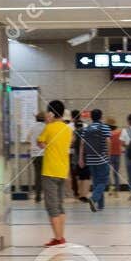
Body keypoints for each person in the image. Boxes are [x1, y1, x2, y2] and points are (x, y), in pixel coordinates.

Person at [36, 100, 73, 246]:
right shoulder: (67, 129)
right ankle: (61, 235)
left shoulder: (49, 128)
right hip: (62, 170)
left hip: (50, 171)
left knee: (52, 206)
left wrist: (48, 123)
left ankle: (58, 238)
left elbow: (40, 143)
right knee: (59, 204)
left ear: (51, 113)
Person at [80, 108, 113, 211]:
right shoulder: (105, 127)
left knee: (96, 182)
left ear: (91, 117)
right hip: (102, 159)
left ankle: (100, 206)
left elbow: (82, 144)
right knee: (103, 181)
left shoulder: (86, 128)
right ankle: (93, 199)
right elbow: (108, 141)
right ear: (101, 117)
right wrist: (109, 155)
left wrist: (81, 159)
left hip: (90, 159)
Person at [27, 109, 48, 203]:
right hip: (45, 153)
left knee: (37, 175)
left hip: (34, 154)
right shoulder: (47, 127)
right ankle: (47, 195)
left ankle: (37, 196)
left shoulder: (32, 127)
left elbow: (28, 139)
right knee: (46, 175)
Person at [69, 109, 87, 200]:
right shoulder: (86, 126)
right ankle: (83, 193)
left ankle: (76, 192)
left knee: (73, 174)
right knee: (83, 174)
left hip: (72, 153)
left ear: (72, 117)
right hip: (84, 154)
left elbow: (70, 142)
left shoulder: (69, 127)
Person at [107, 117, 124, 193]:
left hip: (109, 155)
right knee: (116, 173)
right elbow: (122, 143)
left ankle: (111, 187)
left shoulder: (107, 133)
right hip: (118, 155)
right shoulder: (120, 132)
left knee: (107, 173)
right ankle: (117, 190)